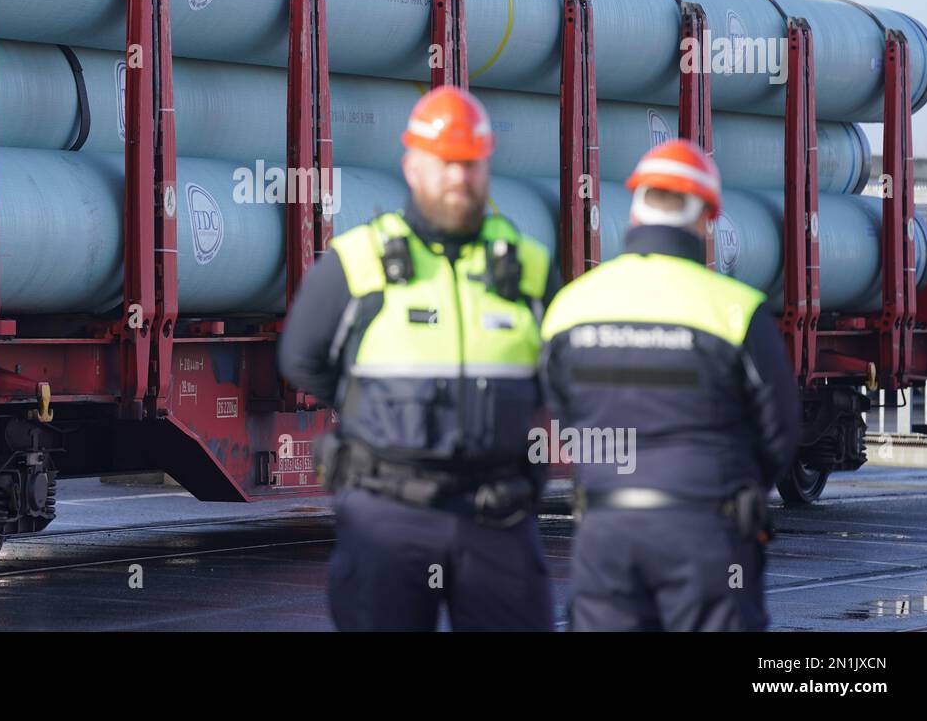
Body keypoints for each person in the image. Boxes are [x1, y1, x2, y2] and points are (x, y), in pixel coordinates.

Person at [278, 85, 557, 631]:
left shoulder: (527, 267)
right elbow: (300, 357)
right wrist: (371, 408)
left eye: (471, 163)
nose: (458, 178)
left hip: (496, 515)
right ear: (411, 166)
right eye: (444, 163)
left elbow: (558, 372)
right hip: (388, 518)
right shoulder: (358, 264)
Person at [539, 138, 801, 631]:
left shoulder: (571, 306)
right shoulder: (736, 309)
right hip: (705, 533)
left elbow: (562, 409)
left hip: (605, 535)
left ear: (635, 213)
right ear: (707, 219)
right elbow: (781, 429)